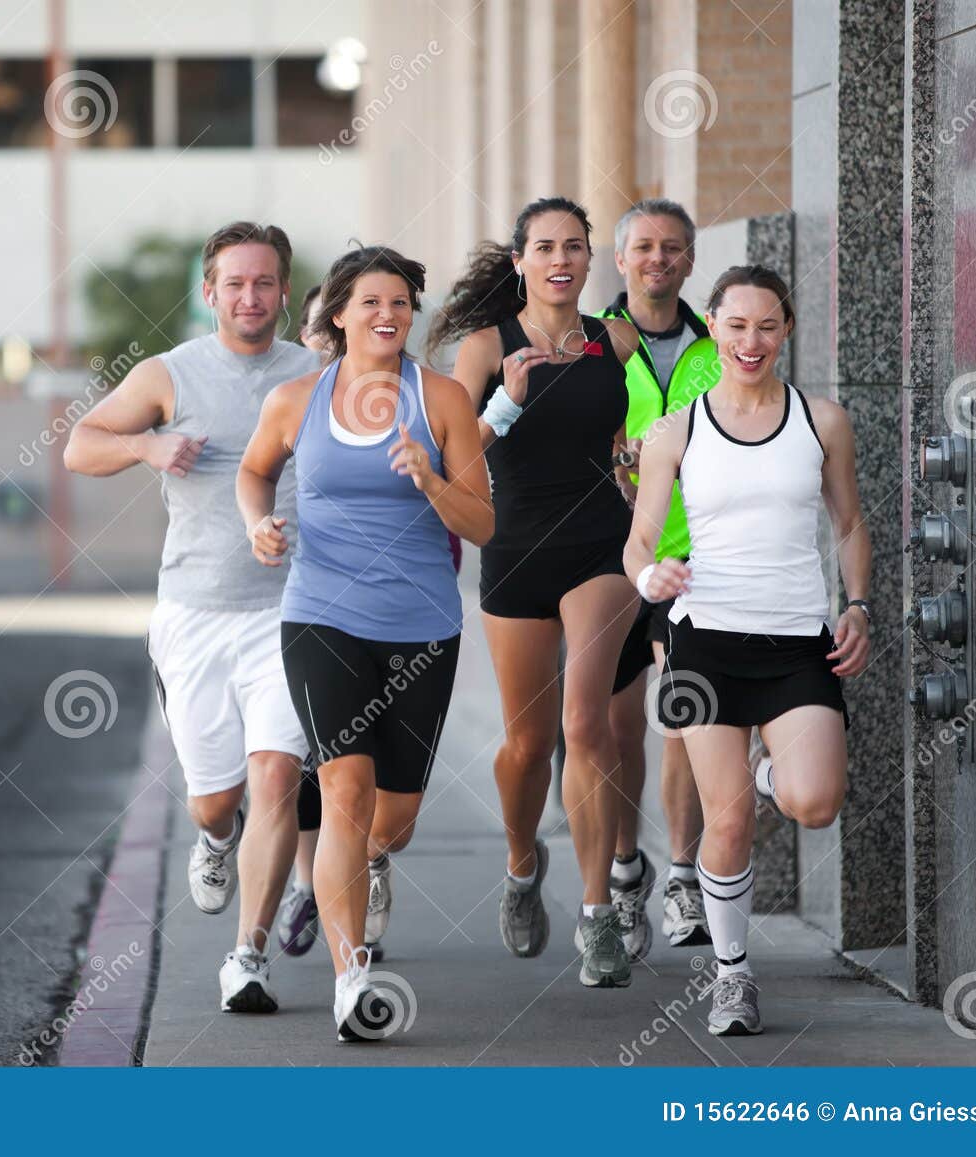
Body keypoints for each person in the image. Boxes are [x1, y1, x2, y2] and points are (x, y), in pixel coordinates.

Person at [239, 245, 492, 1040]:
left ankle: (353, 864)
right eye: (372, 302)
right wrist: (259, 524)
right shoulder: (294, 400)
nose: (389, 316)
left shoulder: (442, 398)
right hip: (321, 615)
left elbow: (483, 524)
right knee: (345, 789)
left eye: (402, 304)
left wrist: (431, 476)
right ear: (339, 313)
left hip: (421, 628)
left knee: (393, 819)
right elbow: (253, 472)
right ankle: (355, 977)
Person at [65, 222, 319, 1014]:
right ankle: (216, 837)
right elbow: (80, 444)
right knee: (217, 797)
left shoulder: (318, 373)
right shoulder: (168, 373)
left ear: (284, 291)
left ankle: (248, 957)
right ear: (209, 292)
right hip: (196, 613)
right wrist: (147, 447)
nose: (251, 297)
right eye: (235, 283)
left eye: (266, 283)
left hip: (290, 610)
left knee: (279, 774)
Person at [625, 264, 870, 1035]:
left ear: (787, 328)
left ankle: (767, 770)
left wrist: (857, 603)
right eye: (736, 326)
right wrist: (649, 573)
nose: (751, 341)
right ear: (714, 326)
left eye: (767, 325)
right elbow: (638, 537)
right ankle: (733, 977)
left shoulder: (821, 420)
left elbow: (851, 525)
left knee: (813, 800)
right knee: (725, 824)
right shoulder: (677, 431)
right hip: (704, 639)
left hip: (798, 642)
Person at [431, 196, 643, 988]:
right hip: (516, 547)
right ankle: (523, 864)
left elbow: (637, 436)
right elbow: (458, 454)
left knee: (586, 723)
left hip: (602, 546)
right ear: (519, 260)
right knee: (528, 746)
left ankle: (596, 917)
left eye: (575, 246)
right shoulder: (485, 346)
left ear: (592, 260)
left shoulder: (614, 340)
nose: (561, 259)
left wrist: (635, 463)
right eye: (545, 246)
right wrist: (506, 402)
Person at [594, 199, 722, 958]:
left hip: (691, 564)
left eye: (672, 247)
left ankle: (681, 874)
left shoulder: (718, 347)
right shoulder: (592, 344)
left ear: (690, 259)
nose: (658, 259)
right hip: (609, 561)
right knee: (614, 728)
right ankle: (621, 868)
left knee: (681, 712)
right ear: (621, 260)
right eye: (644, 246)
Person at [273, 287, 330, 959]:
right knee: (302, 755)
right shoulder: (285, 392)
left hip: (370, 595)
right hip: (278, 594)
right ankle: (306, 881)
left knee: (352, 760)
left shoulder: (398, 392)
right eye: (320, 329)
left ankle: (358, 873)